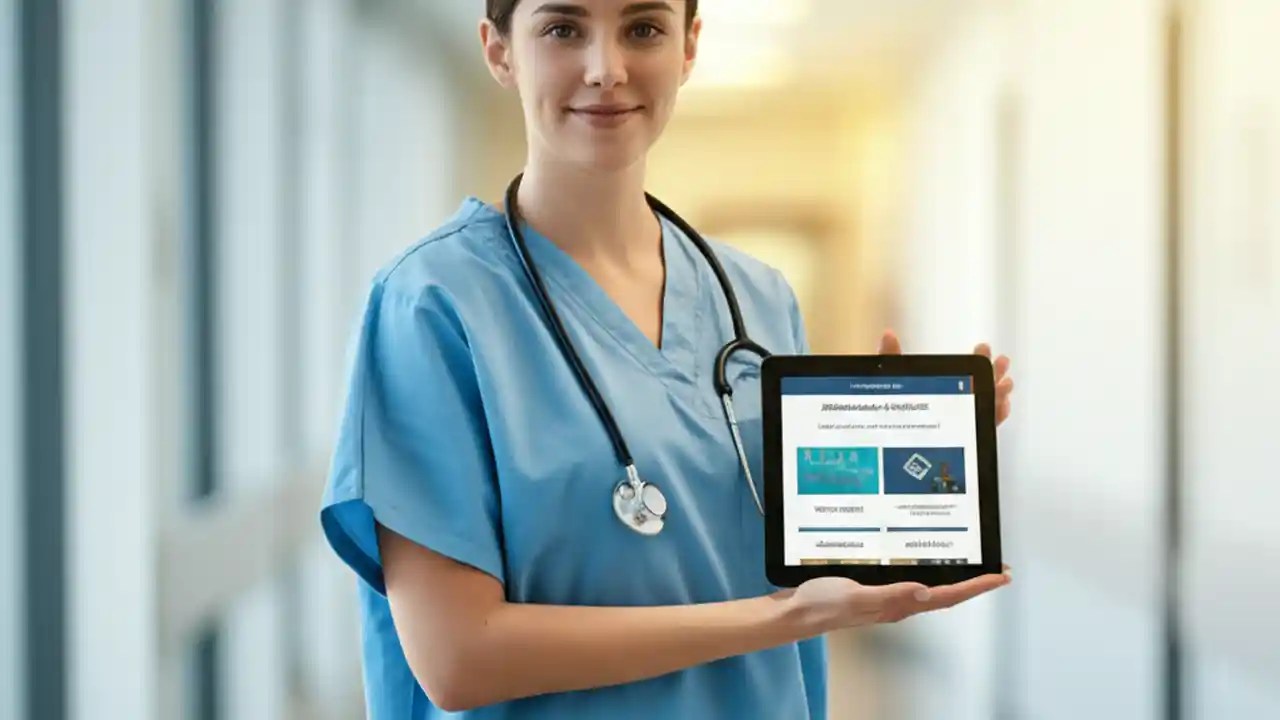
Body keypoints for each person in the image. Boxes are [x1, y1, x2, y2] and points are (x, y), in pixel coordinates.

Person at [318, 1, 1017, 718]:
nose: (607, 69)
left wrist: (908, 459)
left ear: (688, 49)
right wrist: (783, 618)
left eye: (643, 29)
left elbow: (754, 550)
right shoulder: (431, 303)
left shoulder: (758, 298)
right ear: (499, 51)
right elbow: (459, 657)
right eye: (563, 29)